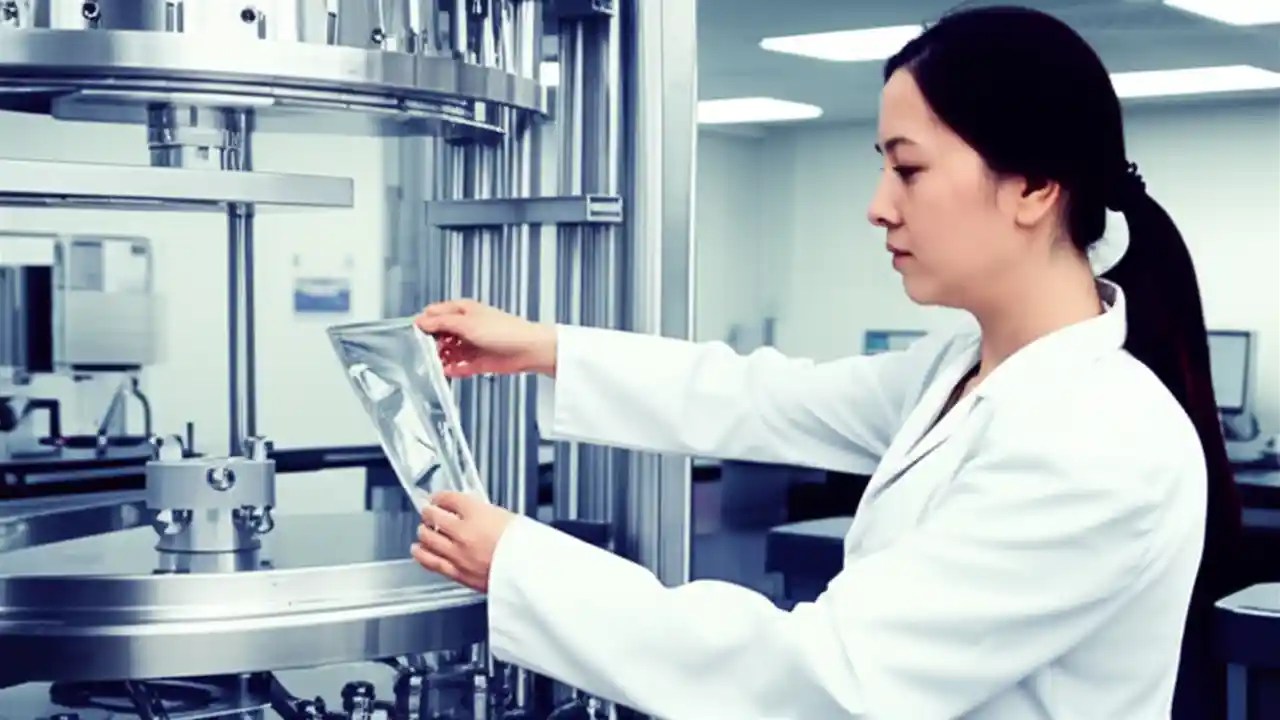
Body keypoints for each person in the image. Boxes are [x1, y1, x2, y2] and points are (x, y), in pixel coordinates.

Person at [409, 6, 1242, 718]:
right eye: (881, 167)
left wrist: (524, 563)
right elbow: (766, 397)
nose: (879, 207)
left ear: (1033, 188)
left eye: (909, 169)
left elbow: (834, 681)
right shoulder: (962, 371)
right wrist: (548, 349)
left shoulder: (1100, 439)